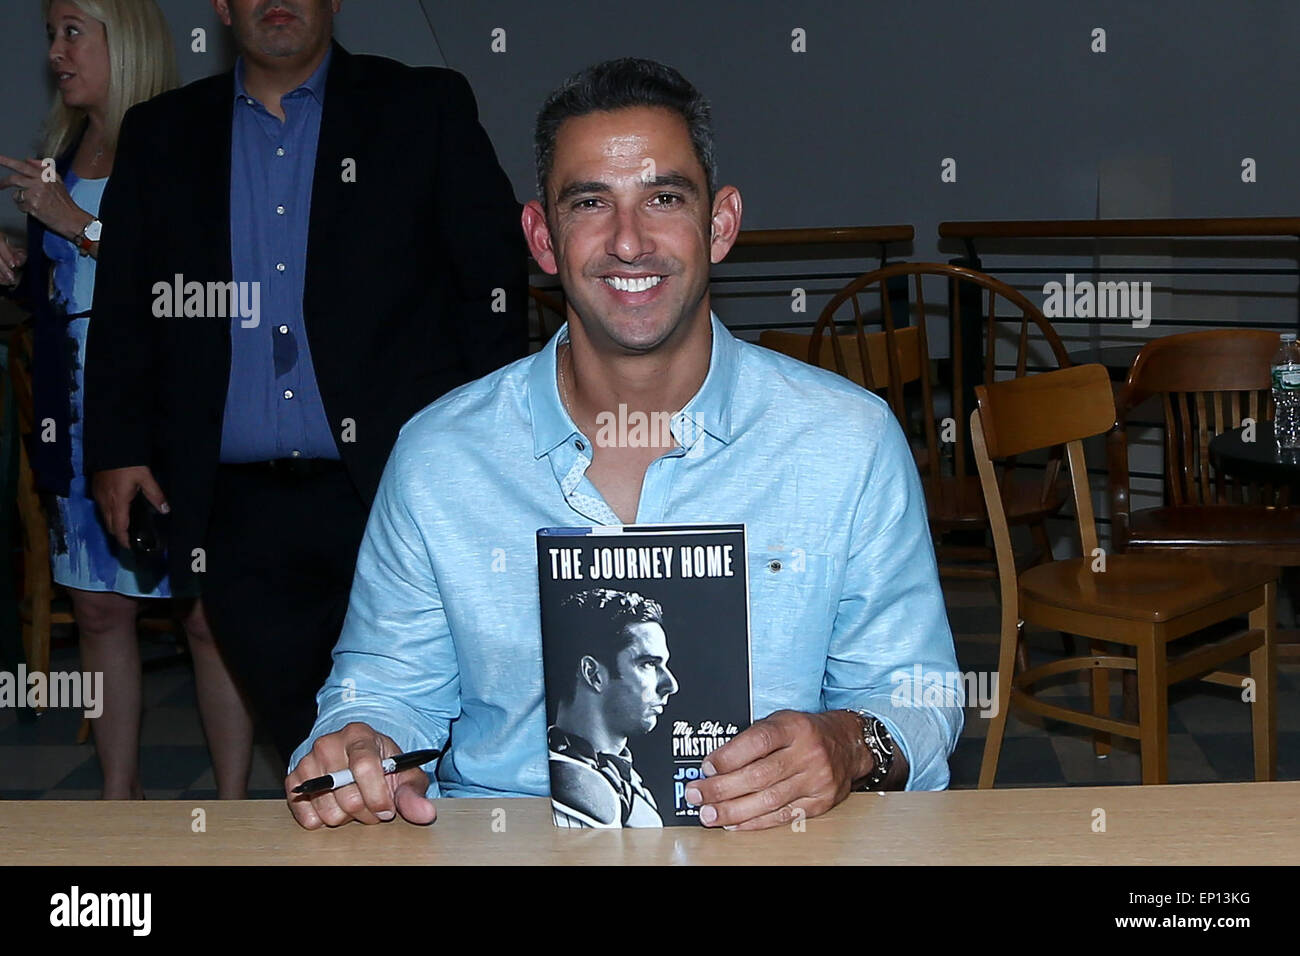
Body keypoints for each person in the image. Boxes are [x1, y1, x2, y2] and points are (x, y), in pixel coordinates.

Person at [286, 57, 963, 831]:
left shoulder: (847, 442)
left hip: (768, 847)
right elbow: (385, 686)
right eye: (590, 203)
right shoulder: (440, 457)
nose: (629, 241)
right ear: (541, 239)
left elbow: (917, 692)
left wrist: (845, 746)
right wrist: (361, 745)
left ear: (720, 224)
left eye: (665, 198)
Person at [82, 0, 529, 762]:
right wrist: (117, 446)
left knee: (431, 727)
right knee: (302, 739)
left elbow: (491, 288)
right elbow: (125, 305)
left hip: (400, 493)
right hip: (237, 506)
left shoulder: (423, 108)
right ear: (222, 6)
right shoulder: (164, 133)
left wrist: (489, 448)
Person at [0, 0, 253, 799]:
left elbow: (195, 278)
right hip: (75, 411)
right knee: (100, 612)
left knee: (205, 618)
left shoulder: (183, 141)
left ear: (126, 41)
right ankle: (119, 799)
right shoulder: (62, 148)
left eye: (73, 31)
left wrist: (74, 223)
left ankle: (232, 797)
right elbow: (71, 280)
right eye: (50, 35)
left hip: (166, 411)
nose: (56, 52)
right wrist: (19, 251)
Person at [545, 588, 677, 828]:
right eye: (648, 664)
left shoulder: (633, 788)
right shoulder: (553, 782)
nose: (671, 685)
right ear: (593, 674)